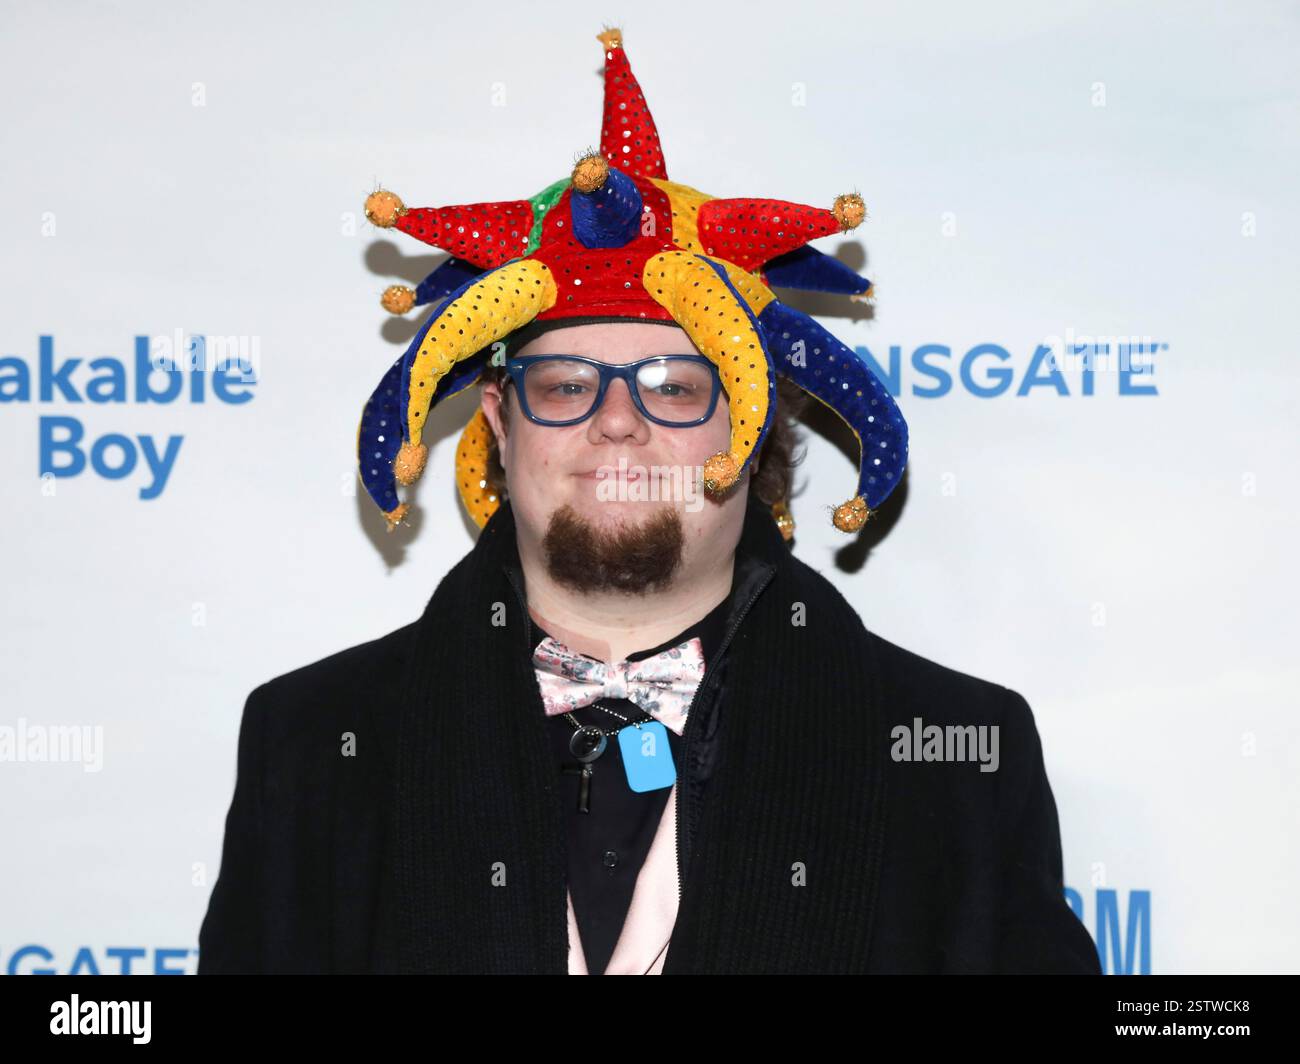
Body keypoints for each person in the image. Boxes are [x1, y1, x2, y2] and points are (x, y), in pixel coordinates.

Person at [197, 28, 1101, 975]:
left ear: (753, 431)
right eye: (563, 385)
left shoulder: (954, 758)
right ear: (501, 425)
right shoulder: (312, 746)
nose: (618, 423)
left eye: (675, 385)